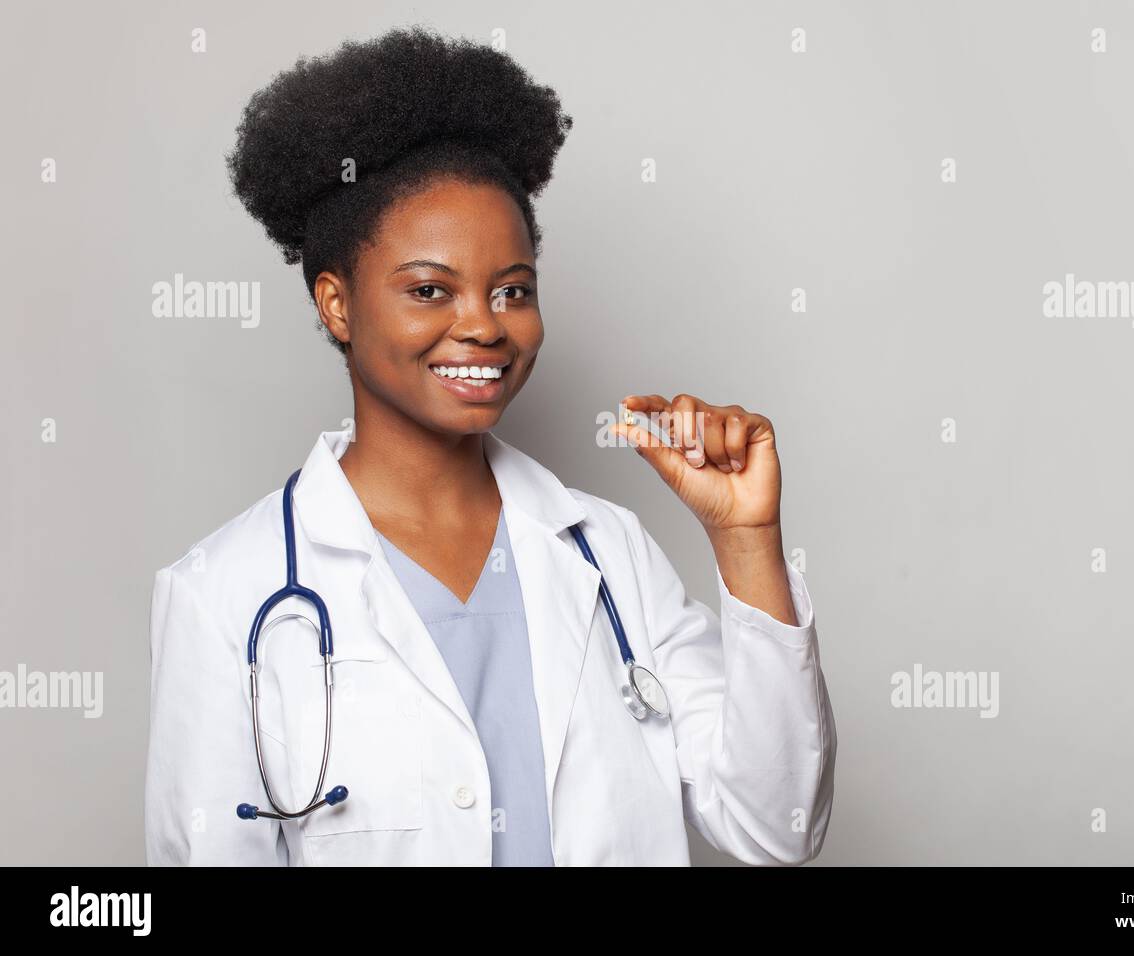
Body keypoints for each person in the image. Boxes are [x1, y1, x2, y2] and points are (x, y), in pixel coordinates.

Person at [144, 26, 836, 866]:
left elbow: (777, 827)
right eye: (430, 289)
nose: (482, 325)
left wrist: (746, 541)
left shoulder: (608, 554)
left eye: (513, 290)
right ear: (336, 304)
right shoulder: (226, 594)